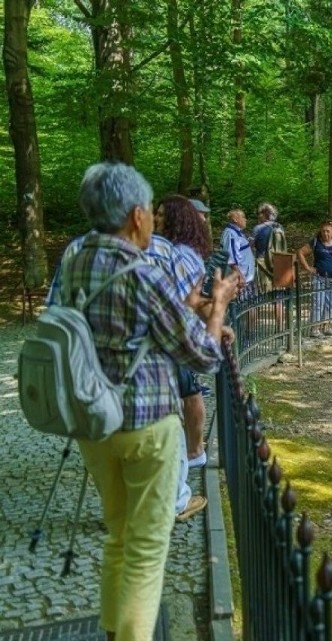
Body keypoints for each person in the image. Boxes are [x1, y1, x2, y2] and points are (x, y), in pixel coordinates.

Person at [63, 162, 237, 641]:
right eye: (150, 215)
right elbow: (201, 356)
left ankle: (114, 628)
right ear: (137, 216)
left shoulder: (74, 257)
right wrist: (218, 302)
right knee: (144, 546)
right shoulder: (142, 271)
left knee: (119, 534)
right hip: (146, 423)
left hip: (93, 420)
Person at [157, 195, 213, 480]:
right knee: (187, 391)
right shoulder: (182, 251)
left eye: (162, 215)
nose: (156, 219)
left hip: (176, 333)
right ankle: (192, 450)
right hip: (179, 331)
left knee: (188, 391)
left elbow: (188, 299)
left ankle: (194, 451)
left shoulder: (179, 254)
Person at [297, 220, 332, 337]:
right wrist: (308, 268)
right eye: (323, 231)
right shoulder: (315, 242)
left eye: (328, 231)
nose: (325, 233)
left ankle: (327, 326)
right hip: (319, 277)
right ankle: (315, 329)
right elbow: (300, 253)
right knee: (318, 303)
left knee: (330, 303)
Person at [220, 208, 255, 299]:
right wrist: (239, 275)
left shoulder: (238, 233)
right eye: (243, 217)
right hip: (240, 278)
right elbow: (230, 256)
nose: (245, 219)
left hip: (246, 276)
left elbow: (240, 251)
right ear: (235, 219)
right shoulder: (231, 234)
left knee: (248, 305)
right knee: (242, 306)